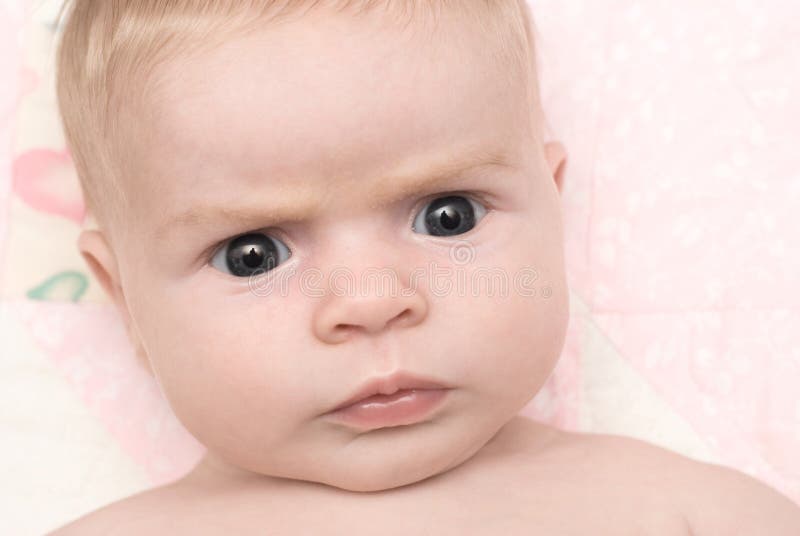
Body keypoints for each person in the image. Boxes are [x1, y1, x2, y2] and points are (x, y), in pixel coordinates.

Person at [48, 0, 800, 533]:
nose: (374, 302)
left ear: (552, 203)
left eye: (450, 216)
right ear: (126, 300)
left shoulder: (686, 513)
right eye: (253, 256)